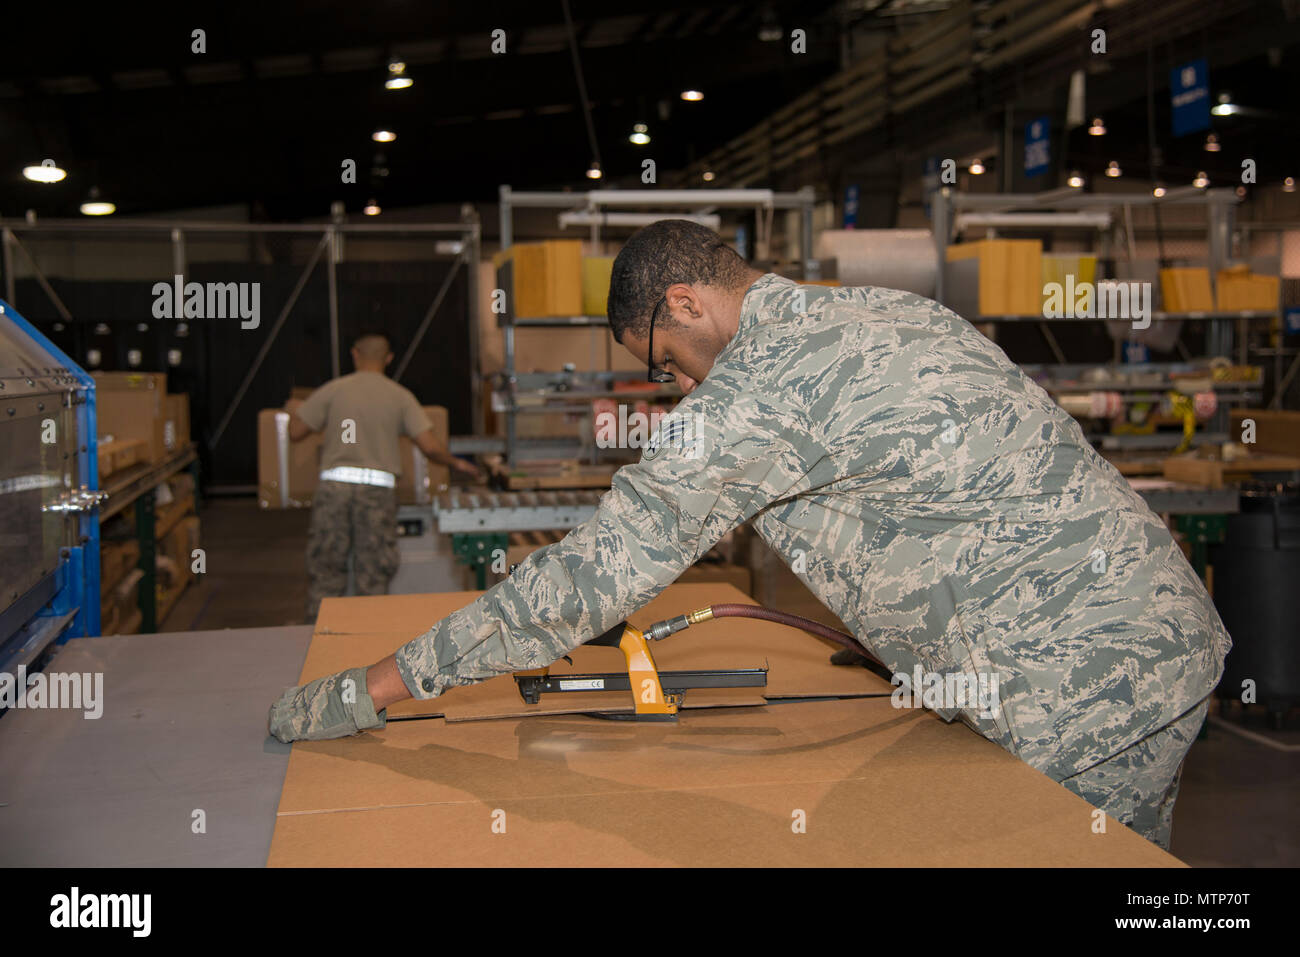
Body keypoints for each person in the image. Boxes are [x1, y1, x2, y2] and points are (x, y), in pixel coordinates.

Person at [269, 222, 1230, 850]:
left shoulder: (760, 389)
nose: (678, 385)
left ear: (685, 304)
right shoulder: (880, 310)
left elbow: (588, 581)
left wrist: (377, 686)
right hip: (1152, 633)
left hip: (1081, 687)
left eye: (665, 363)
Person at [286, 331, 480, 620]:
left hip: (334, 491)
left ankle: (317, 637)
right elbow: (429, 446)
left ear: (354, 354)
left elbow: (295, 432)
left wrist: (294, 411)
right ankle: (368, 638)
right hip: (376, 495)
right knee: (373, 572)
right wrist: (457, 463)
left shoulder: (333, 390)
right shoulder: (400, 396)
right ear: (388, 359)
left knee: (326, 568)